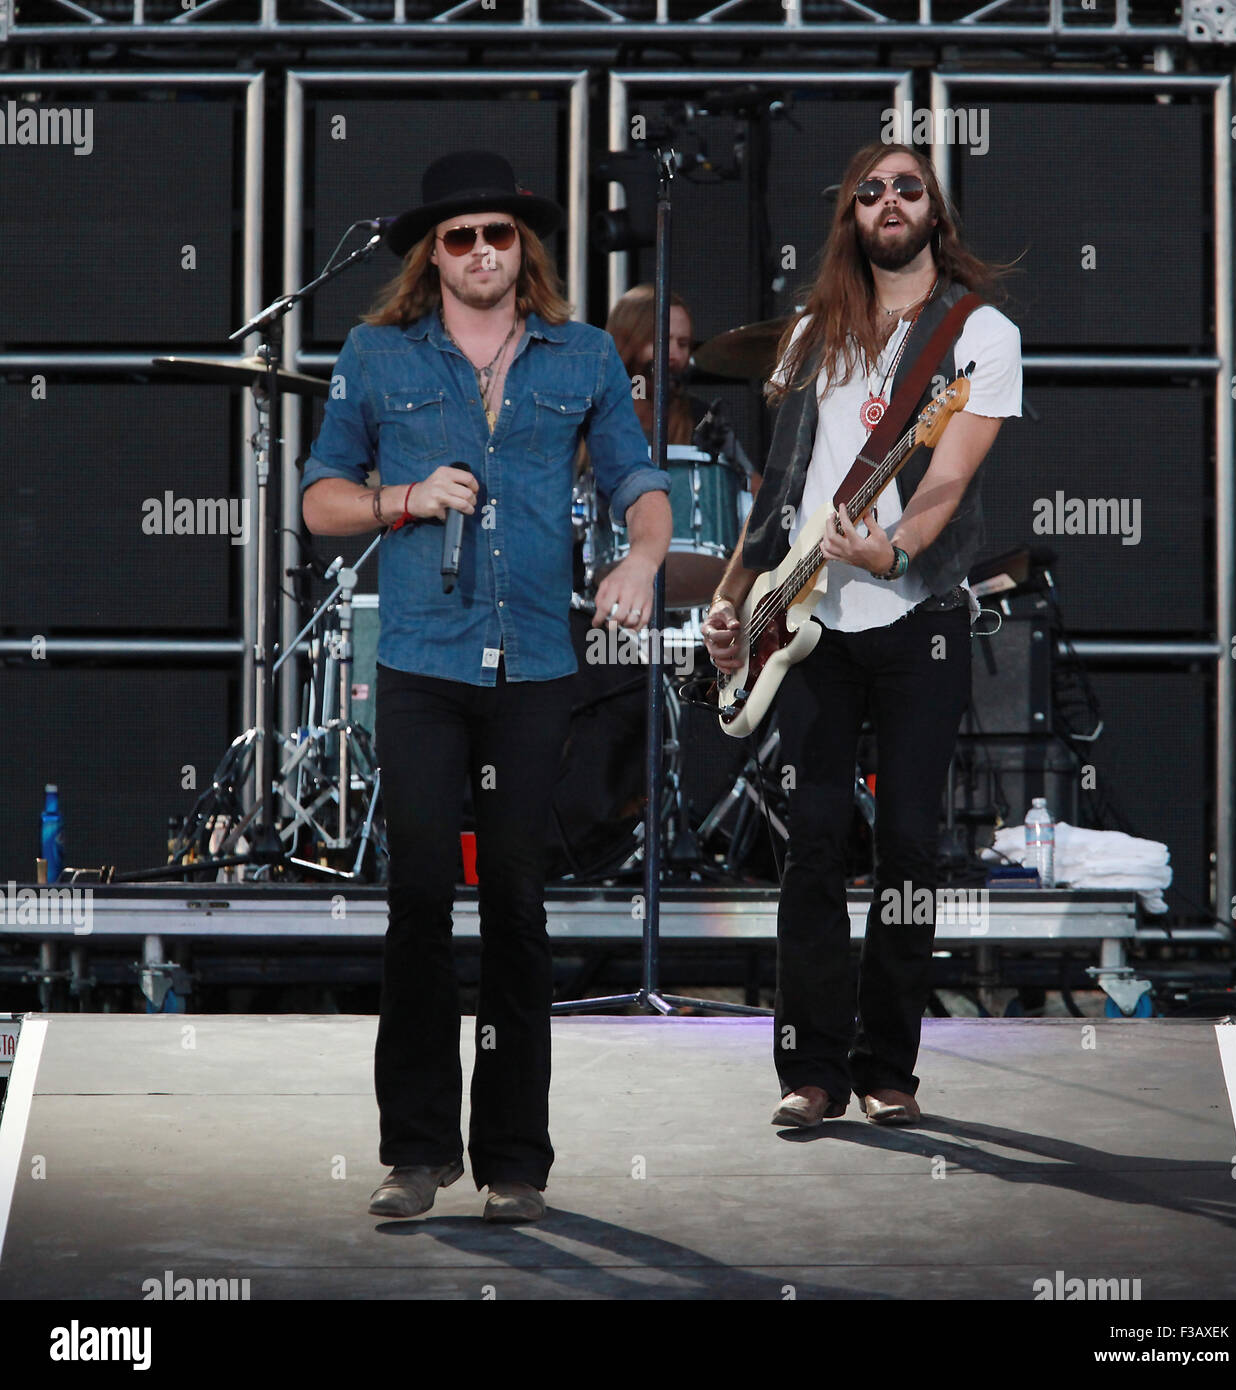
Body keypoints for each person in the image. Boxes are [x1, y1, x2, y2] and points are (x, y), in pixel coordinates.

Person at [301, 151, 672, 1222]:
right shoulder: (377, 354)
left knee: (516, 901)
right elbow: (323, 497)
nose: (478, 252)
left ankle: (514, 1158)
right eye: (458, 237)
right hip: (422, 659)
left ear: (523, 248)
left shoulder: (585, 354)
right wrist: (405, 496)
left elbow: (640, 480)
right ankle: (415, 1151)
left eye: (496, 235)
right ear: (433, 252)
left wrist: (641, 560)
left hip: (537, 669)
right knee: (418, 895)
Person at [701, 141, 1022, 1129]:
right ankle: (810, 1071)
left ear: (935, 212)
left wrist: (889, 553)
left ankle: (890, 1066)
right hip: (810, 628)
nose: (887, 199)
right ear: (850, 217)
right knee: (811, 842)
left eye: (906, 187)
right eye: (868, 190)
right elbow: (778, 491)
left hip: (917, 616)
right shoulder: (810, 337)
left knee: (912, 844)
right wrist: (732, 602)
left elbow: (946, 486)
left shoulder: (980, 335)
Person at [603, 284, 758, 495]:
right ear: (628, 344)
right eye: (663, 340)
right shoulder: (593, 413)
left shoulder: (701, 419)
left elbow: (755, 489)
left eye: (683, 344)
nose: (674, 354)